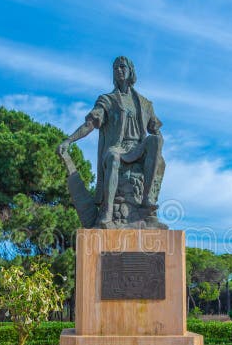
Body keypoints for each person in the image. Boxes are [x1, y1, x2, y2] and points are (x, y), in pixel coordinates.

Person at [57, 56, 164, 227]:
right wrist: (69, 140)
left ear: (130, 71)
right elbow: (90, 123)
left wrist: (158, 146)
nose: (118, 70)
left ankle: (146, 199)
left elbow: (155, 129)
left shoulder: (144, 103)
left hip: (138, 148)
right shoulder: (108, 99)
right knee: (113, 157)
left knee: (154, 141)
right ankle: (107, 210)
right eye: (115, 68)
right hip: (117, 148)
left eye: (122, 67)